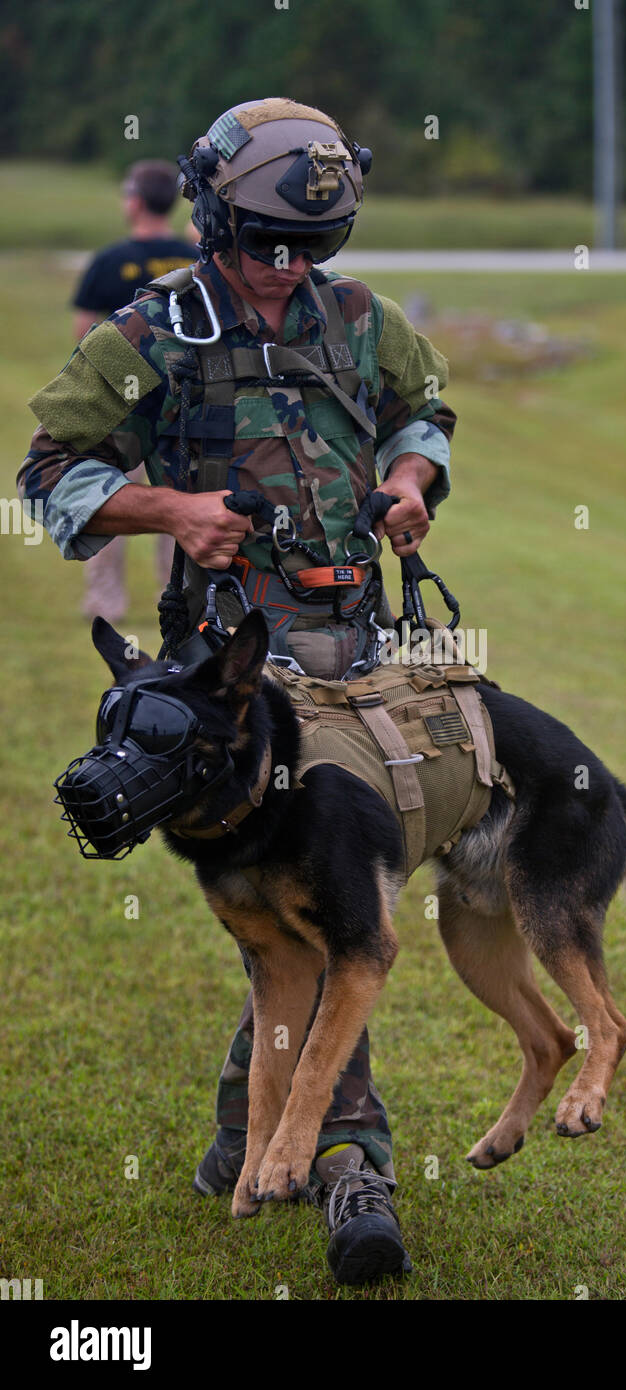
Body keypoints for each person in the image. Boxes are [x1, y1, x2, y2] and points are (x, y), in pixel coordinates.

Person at [17, 98, 456, 1286]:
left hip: (359, 654)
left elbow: (424, 411)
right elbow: (46, 475)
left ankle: (238, 1136)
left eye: (313, 245)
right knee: (322, 908)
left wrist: (412, 481)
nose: (288, 267)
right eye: (266, 241)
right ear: (214, 217)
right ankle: (351, 1164)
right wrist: (172, 510)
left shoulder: (361, 319)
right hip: (230, 673)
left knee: (301, 907)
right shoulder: (153, 328)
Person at [73, 160, 193, 624]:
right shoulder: (193, 258)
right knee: (181, 504)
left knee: (107, 500)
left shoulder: (109, 261)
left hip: (119, 405)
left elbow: (85, 333)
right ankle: (180, 596)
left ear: (136, 201)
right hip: (182, 401)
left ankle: (105, 602)